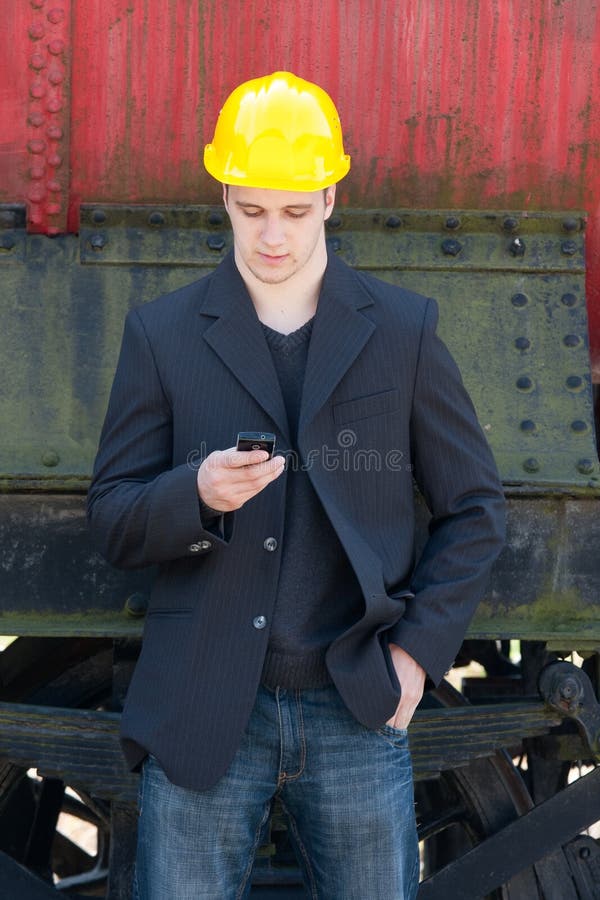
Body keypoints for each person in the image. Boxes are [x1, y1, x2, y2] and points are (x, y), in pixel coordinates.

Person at [87, 71, 506, 900]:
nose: (271, 236)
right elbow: (113, 518)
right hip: (205, 714)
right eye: (251, 211)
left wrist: (416, 658)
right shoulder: (163, 333)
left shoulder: (403, 329)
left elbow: (475, 511)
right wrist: (196, 492)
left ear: (331, 196)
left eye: (294, 211)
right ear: (225, 195)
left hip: (356, 709)